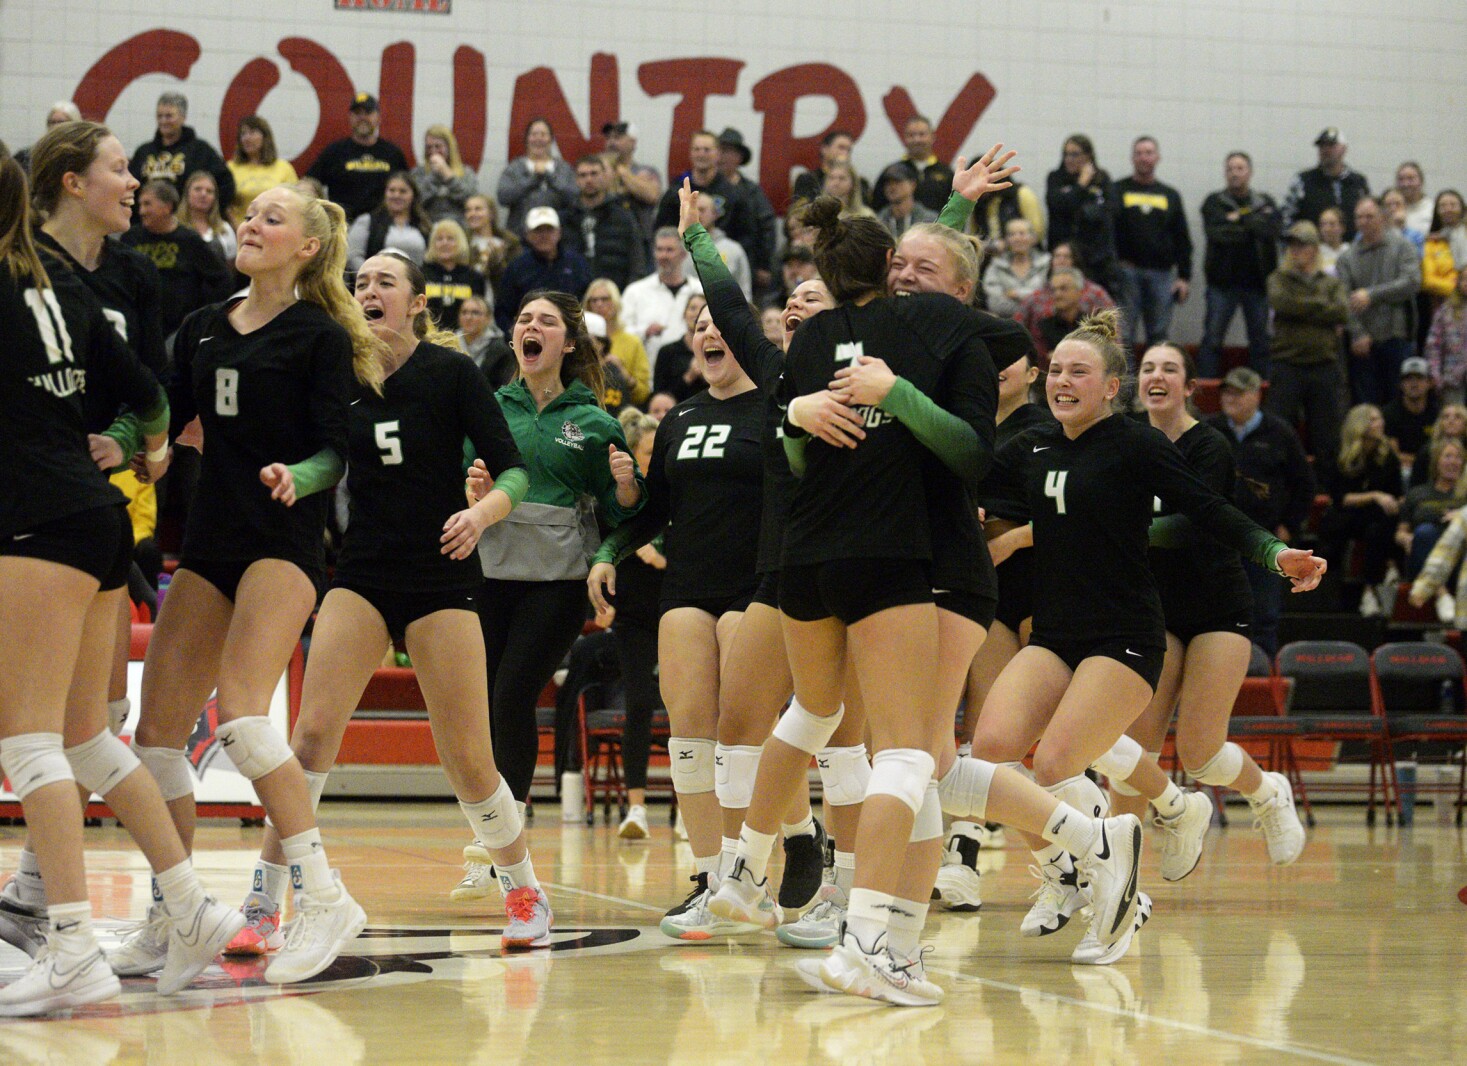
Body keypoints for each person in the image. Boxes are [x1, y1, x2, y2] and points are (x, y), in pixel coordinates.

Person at [756, 197, 1148, 1003]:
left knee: (909, 755)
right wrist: (798, 413)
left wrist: (894, 393)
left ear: (961, 287)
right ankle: (921, 930)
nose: (901, 276)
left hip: (942, 568)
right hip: (884, 558)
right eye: (895, 264)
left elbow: (969, 451)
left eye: (920, 269)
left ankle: (881, 936)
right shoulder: (883, 337)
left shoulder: (961, 343)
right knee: (922, 760)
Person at [221, 250, 549, 954]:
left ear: (417, 302)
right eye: (360, 281)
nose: (368, 290)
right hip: (363, 573)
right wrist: (296, 477)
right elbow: (329, 461)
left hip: (441, 574)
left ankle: (522, 887)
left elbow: (514, 469)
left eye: (384, 283)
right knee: (309, 740)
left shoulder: (451, 372)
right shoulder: (338, 374)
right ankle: (263, 900)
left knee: (467, 756)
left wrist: (482, 516)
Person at [971, 312, 1323, 964]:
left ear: (1111, 387)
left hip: (1126, 635)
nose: (1062, 381)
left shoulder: (1136, 445)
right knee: (988, 754)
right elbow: (964, 477)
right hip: (1053, 635)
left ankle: (1121, 884)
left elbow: (1211, 513)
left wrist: (1277, 555)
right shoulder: (1032, 447)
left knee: (1055, 764)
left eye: (1079, 371)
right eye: (1056, 370)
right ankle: (1067, 864)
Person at [119, 182, 387, 986]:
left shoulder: (318, 335)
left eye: (272, 218)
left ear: (307, 246)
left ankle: (323, 894)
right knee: (155, 738)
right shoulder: (203, 327)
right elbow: (165, 414)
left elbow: (337, 452)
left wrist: (295, 475)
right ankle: (175, 913)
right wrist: (140, 446)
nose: (251, 224)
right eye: (250, 214)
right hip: (209, 542)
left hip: (283, 540)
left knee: (238, 713)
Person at [0, 153, 246, 1015]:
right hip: (99, 517)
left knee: (28, 744)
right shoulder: (58, 285)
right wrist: (124, 445)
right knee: (85, 741)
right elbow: (148, 397)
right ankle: (190, 904)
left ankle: (67, 945)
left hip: (34, 517)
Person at [588, 281, 782, 936]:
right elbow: (652, 513)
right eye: (698, 325)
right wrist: (609, 549)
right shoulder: (679, 418)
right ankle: (709, 878)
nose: (708, 334)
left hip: (755, 586)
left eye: (720, 325)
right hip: (686, 588)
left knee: (739, 738)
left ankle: (750, 875)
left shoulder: (777, 410)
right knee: (691, 739)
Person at [1095, 344, 1309, 884]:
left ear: (1190, 387)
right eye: (1147, 368)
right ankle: (1119, 877)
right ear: (1134, 383)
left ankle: (1267, 792)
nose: (1157, 376)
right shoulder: (1120, 442)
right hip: (1153, 610)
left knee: (1199, 754)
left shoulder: (1208, 445)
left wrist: (1122, 532)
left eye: (1170, 369)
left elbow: (1195, 523)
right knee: (1135, 749)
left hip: (1217, 606)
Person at [460, 292, 644, 854]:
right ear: (514, 338)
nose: (530, 327)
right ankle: (490, 836)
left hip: (558, 586)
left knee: (512, 695)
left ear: (567, 342)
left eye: (545, 321)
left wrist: (625, 488)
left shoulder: (594, 422)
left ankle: (503, 836)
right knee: (485, 700)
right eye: (522, 319)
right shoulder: (488, 408)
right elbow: (460, 490)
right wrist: (471, 493)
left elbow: (624, 518)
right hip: (488, 577)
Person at [1207, 368, 1317, 654]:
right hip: (1218, 542)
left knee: (1264, 616)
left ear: (1256, 395)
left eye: (1238, 392)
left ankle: (1262, 682)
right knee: (1214, 616)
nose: (1230, 398)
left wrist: (1289, 526)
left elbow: (1305, 484)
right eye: (1227, 392)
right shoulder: (1209, 430)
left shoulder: (1279, 432)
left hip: (1264, 541)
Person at [1266, 220, 1348, 464]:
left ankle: (1327, 489)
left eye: (1301, 245)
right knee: (1279, 430)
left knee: (1327, 434)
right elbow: (1282, 303)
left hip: (1323, 365)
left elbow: (1342, 312)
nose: (1295, 250)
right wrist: (1321, 307)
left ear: (1314, 248)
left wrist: (1301, 306)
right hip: (1287, 363)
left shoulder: (1331, 282)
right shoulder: (1278, 278)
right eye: (1291, 245)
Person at [1198, 151, 1281, 377]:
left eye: (1240, 168)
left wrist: (1238, 220)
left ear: (1250, 172)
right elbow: (1218, 234)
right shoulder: (1213, 202)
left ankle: (1263, 395)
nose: (1235, 173)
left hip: (1258, 286)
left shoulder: (1266, 202)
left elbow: (1270, 230)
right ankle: (1204, 394)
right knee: (1212, 340)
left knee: (1261, 342)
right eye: (1230, 169)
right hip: (1221, 286)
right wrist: (1252, 223)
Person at [1319, 404, 1404, 616]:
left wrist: (1397, 502)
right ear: (1360, 425)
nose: (1381, 423)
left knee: (1381, 525)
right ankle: (1382, 574)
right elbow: (1341, 498)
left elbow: (1397, 493)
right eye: (1374, 419)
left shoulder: (1387, 455)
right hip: (1347, 514)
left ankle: (1370, 589)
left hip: (1377, 517)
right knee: (1370, 523)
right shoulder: (1339, 452)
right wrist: (1375, 496)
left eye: (1380, 419)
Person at [120, 180, 232, 338]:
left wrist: (201, 315)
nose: (141, 211)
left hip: (178, 331)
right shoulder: (130, 239)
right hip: (139, 326)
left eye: (147, 204)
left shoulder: (189, 240)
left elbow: (222, 280)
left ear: (167, 207)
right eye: (140, 205)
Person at [1337, 196, 1422, 405]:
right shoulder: (1346, 258)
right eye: (1359, 217)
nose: (1364, 222)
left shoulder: (1404, 247)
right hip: (1363, 342)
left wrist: (1371, 294)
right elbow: (1343, 299)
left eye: (1370, 216)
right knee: (1366, 405)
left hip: (1397, 336)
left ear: (1383, 217)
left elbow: (1412, 283)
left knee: (1398, 402)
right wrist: (1357, 333)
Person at [1114, 136, 1193, 348]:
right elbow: (1107, 234)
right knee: (1124, 336)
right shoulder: (1117, 190)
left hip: (1162, 275)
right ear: (1132, 158)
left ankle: (1157, 381)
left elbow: (1182, 238)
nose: (1144, 158)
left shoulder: (1170, 195)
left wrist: (1184, 276)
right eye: (1139, 153)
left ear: (1157, 157)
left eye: (1148, 153)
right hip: (1126, 274)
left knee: (1158, 336)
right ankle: (1125, 382)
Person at [305, 93, 408, 222]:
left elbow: (408, 190)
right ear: (350, 118)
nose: (362, 118)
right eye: (357, 113)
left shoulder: (393, 154)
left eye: (368, 113)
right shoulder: (334, 152)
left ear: (378, 118)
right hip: (343, 224)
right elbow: (309, 183)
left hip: (383, 226)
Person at [129, 92, 235, 217]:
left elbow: (226, 184)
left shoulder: (201, 151)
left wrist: (207, 216)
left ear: (183, 117)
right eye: (159, 116)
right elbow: (130, 188)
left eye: (169, 116)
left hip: (186, 227)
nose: (163, 121)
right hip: (146, 225)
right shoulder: (144, 152)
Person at [495, 207, 593, 333]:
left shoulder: (577, 264)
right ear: (527, 235)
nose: (544, 235)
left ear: (559, 233)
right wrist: (515, 335)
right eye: (538, 230)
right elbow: (503, 311)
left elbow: (588, 302)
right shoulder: (517, 268)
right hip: (529, 337)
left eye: (549, 230)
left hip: (572, 336)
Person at [1044, 135, 1119, 296]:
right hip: (1065, 256)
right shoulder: (1055, 178)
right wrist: (1081, 184)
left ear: (1088, 156)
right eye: (1066, 154)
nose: (1068, 159)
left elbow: (1111, 210)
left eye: (1074, 154)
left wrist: (1082, 209)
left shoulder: (1102, 179)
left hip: (1097, 258)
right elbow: (1059, 205)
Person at [620, 227, 702, 366]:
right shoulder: (635, 292)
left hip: (695, 373)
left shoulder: (700, 290)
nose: (663, 255)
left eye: (669, 250)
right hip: (648, 373)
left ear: (683, 254)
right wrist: (645, 331)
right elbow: (621, 334)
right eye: (659, 249)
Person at [561, 154, 642, 290]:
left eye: (594, 174)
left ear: (605, 176)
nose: (589, 179)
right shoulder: (566, 217)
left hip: (615, 293)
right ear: (576, 180)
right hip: (573, 296)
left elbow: (637, 260)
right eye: (583, 175)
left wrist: (630, 294)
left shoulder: (623, 216)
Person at [715, 128, 778, 292]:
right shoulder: (707, 187)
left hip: (747, 260)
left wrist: (764, 265)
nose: (721, 156)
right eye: (719, 150)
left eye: (727, 151)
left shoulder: (751, 191)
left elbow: (767, 227)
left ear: (739, 157)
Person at [1281, 128, 1371, 239]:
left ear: (1344, 149)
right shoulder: (1303, 181)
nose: (1326, 150)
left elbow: (1369, 218)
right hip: (1313, 253)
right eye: (1322, 146)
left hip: (1353, 251)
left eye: (1331, 145)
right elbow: (1286, 219)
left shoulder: (1359, 183)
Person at [1396, 437, 1465, 580]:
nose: (1453, 462)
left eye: (1458, 458)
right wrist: (1405, 538)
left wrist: (1462, 515)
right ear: (1436, 462)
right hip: (1424, 550)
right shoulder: (1417, 493)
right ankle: (1440, 592)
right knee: (1424, 533)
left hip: (1458, 552)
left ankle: (1442, 593)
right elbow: (1401, 532)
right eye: (1447, 456)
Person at [497, 118, 578, 237]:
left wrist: (549, 176)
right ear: (527, 139)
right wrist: (534, 179)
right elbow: (503, 197)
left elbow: (574, 197)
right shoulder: (514, 168)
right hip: (520, 236)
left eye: (543, 134)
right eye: (534, 134)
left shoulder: (564, 169)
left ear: (551, 139)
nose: (538, 139)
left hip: (559, 238)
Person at [583, 277, 652, 403]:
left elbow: (643, 392)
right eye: (594, 300)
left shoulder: (632, 342)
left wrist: (622, 372)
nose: (599, 304)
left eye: (605, 299)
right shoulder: (580, 342)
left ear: (615, 302)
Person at [869, 114, 954, 214]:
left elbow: (953, 209)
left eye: (922, 134)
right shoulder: (891, 172)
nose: (916, 139)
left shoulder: (946, 173)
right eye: (911, 135)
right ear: (904, 138)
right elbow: (877, 208)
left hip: (937, 228)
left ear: (932, 137)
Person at [346, 171, 431, 271]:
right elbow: (353, 256)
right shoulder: (367, 221)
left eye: (403, 191)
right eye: (392, 190)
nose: (396, 195)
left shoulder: (424, 225)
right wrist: (371, 278)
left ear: (413, 195)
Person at [226, 115, 297, 226]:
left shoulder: (284, 168)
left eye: (252, 132)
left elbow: (294, 203)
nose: (247, 138)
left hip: (275, 232)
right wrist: (237, 229)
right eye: (243, 134)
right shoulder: (230, 168)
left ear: (265, 137)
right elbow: (225, 205)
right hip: (241, 230)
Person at [600, 120, 662, 244]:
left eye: (617, 137)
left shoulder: (647, 170)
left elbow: (652, 196)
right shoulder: (598, 170)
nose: (611, 142)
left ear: (633, 142)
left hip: (640, 238)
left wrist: (621, 171)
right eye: (609, 138)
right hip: (606, 237)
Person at [682, 193, 751, 298]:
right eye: (693, 210)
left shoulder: (733, 250)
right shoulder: (680, 250)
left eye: (702, 210)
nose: (697, 215)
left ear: (715, 214)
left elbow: (745, 290)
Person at [421, 219, 486, 329]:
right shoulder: (420, 274)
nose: (444, 243)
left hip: (465, 340)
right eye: (439, 239)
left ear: (460, 243)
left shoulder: (474, 277)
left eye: (450, 239)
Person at [408, 124, 477, 224]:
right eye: (429, 147)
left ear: (449, 148)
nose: (433, 151)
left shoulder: (466, 173)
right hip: (427, 228)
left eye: (438, 146)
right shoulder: (417, 173)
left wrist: (449, 177)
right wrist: (434, 176)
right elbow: (414, 203)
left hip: (459, 228)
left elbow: (472, 202)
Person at [983, 217, 1050, 318]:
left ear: (1033, 238)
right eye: (1012, 234)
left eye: (1022, 233)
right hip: (1006, 323)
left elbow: (1048, 297)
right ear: (1007, 240)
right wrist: (1029, 305)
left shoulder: (1046, 263)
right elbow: (994, 303)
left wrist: (1016, 294)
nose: (1017, 238)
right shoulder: (996, 265)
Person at [649, 293, 706, 403]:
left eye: (702, 309)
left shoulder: (716, 351)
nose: (697, 313)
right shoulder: (667, 352)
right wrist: (689, 376)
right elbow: (659, 394)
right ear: (684, 314)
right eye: (692, 308)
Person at [1383, 357, 1440, 466]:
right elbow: (1394, 456)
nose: (1414, 384)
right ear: (1401, 384)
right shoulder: (1389, 414)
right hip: (1400, 471)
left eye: (1419, 378)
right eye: (1408, 379)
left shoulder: (1438, 414)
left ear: (1430, 383)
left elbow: (1441, 452)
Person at [792, 130, 868, 206]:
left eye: (848, 150)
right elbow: (801, 210)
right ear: (824, 149)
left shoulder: (859, 183)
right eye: (841, 148)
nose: (845, 153)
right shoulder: (808, 179)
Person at [176, 170, 237, 263]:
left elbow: (231, 266)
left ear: (215, 198)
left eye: (209, 191)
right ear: (187, 193)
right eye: (197, 189)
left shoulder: (224, 228)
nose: (203, 194)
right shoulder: (174, 226)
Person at [1426, 269, 1467, 405]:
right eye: (1464, 279)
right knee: (1453, 418)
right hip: (1452, 379)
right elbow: (1433, 346)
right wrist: (1435, 374)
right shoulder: (1446, 311)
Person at [454, 295, 514, 387]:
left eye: (475, 313)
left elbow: (504, 386)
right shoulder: (449, 345)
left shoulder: (501, 351)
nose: (468, 317)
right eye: (464, 312)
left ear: (488, 318)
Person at [11, 100, 80, 172]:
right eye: (52, 122)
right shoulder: (28, 157)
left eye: (61, 122)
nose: (55, 127)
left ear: (73, 126)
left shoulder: (82, 157)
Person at [875, 162, 939, 239]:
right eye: (888, 183)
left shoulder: (930, 221)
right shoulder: (878, 222)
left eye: (897, 182)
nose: (892, 187)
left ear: (913, 185)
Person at [1383, 187, 1426, 253]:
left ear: (1405, 207)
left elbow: (1414, 259)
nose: (1393, 208)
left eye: (1397, 204)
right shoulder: (1373, 235)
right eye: (1388, 205)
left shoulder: (1416, 236)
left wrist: (1397, 228)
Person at [1398, 162, 1434, 236]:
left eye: (1411, 179)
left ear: (1421, 181)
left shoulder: (1432, 208)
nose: (1406, 184)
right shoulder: (1389, 209)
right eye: (1401, 179)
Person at [1318, 206, 1348, 275]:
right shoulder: (1315, 252)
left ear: (1342, 227)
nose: (1327, 229)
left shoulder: (1350, 251)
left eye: (1332, 224)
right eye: (1323, 224)